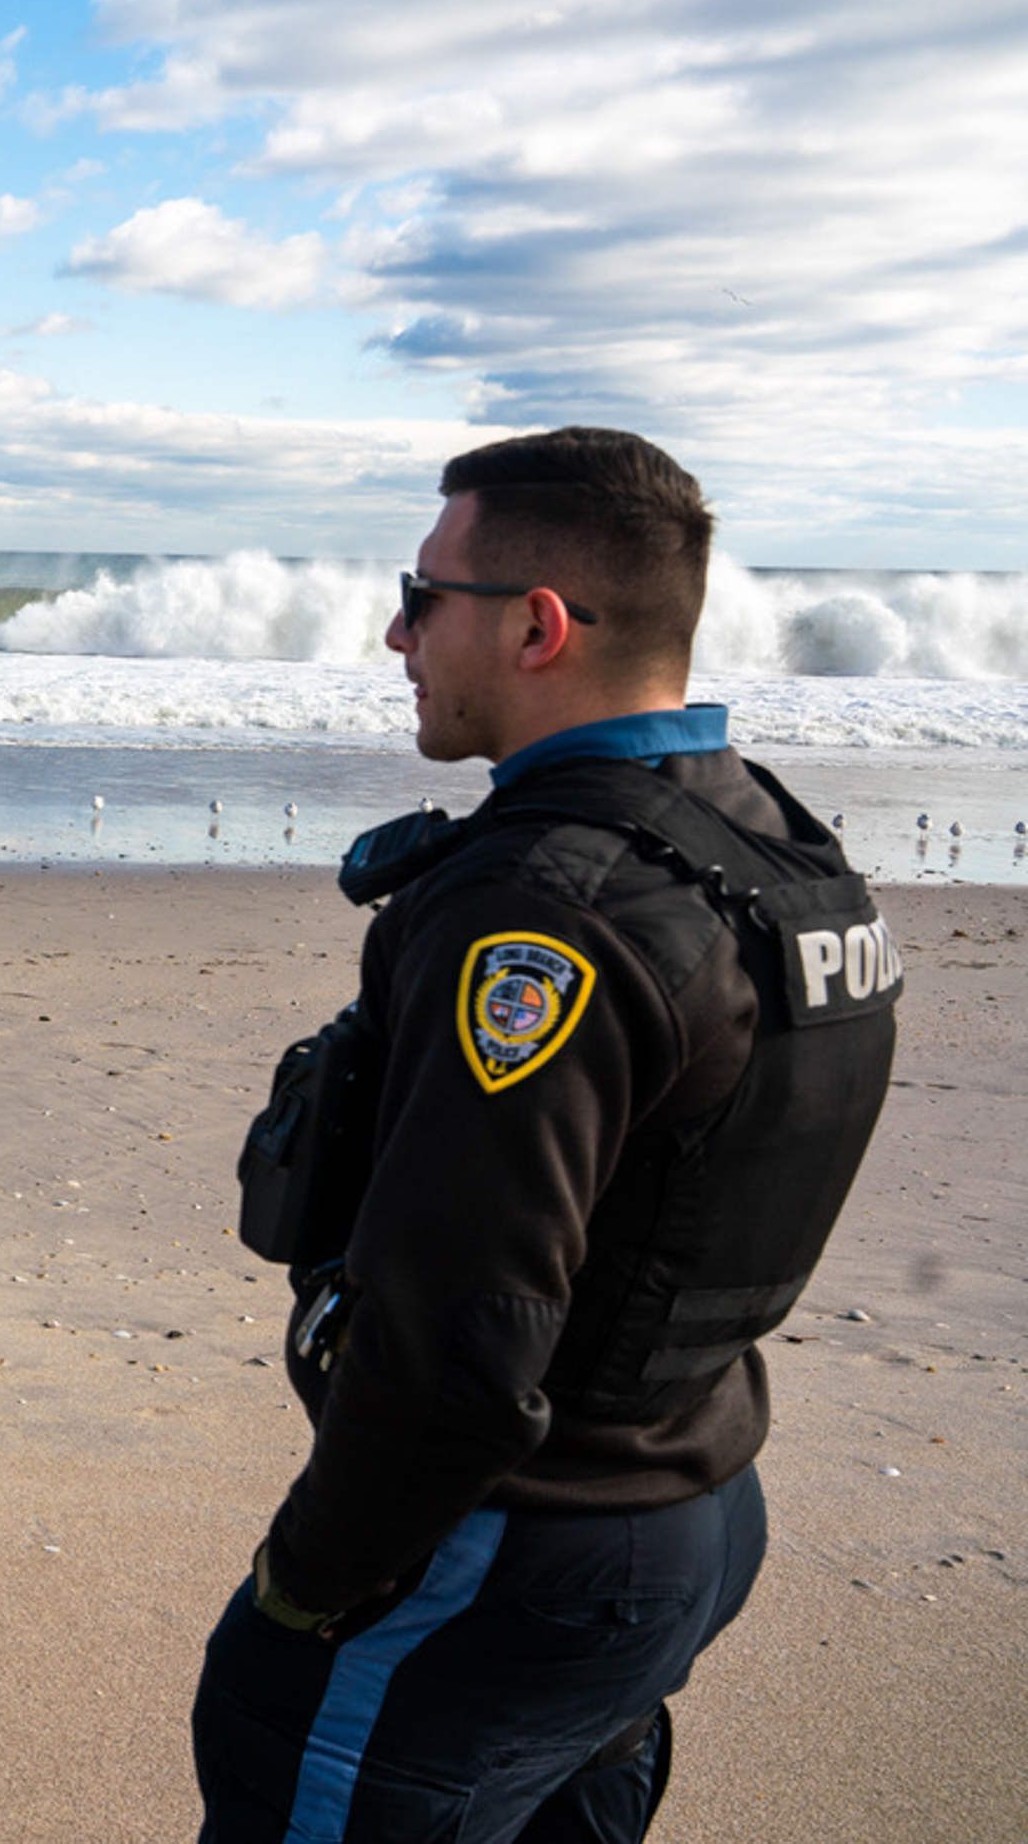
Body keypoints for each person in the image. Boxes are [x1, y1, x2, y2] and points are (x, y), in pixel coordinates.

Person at [191, 427, 902, 1841]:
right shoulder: (777, 846)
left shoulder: (541, 910)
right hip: (689, 1499)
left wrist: (306, 1579)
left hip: (513, 1543)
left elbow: (460, 1338)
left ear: (539, 624)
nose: (397, 633)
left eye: (423, 593)